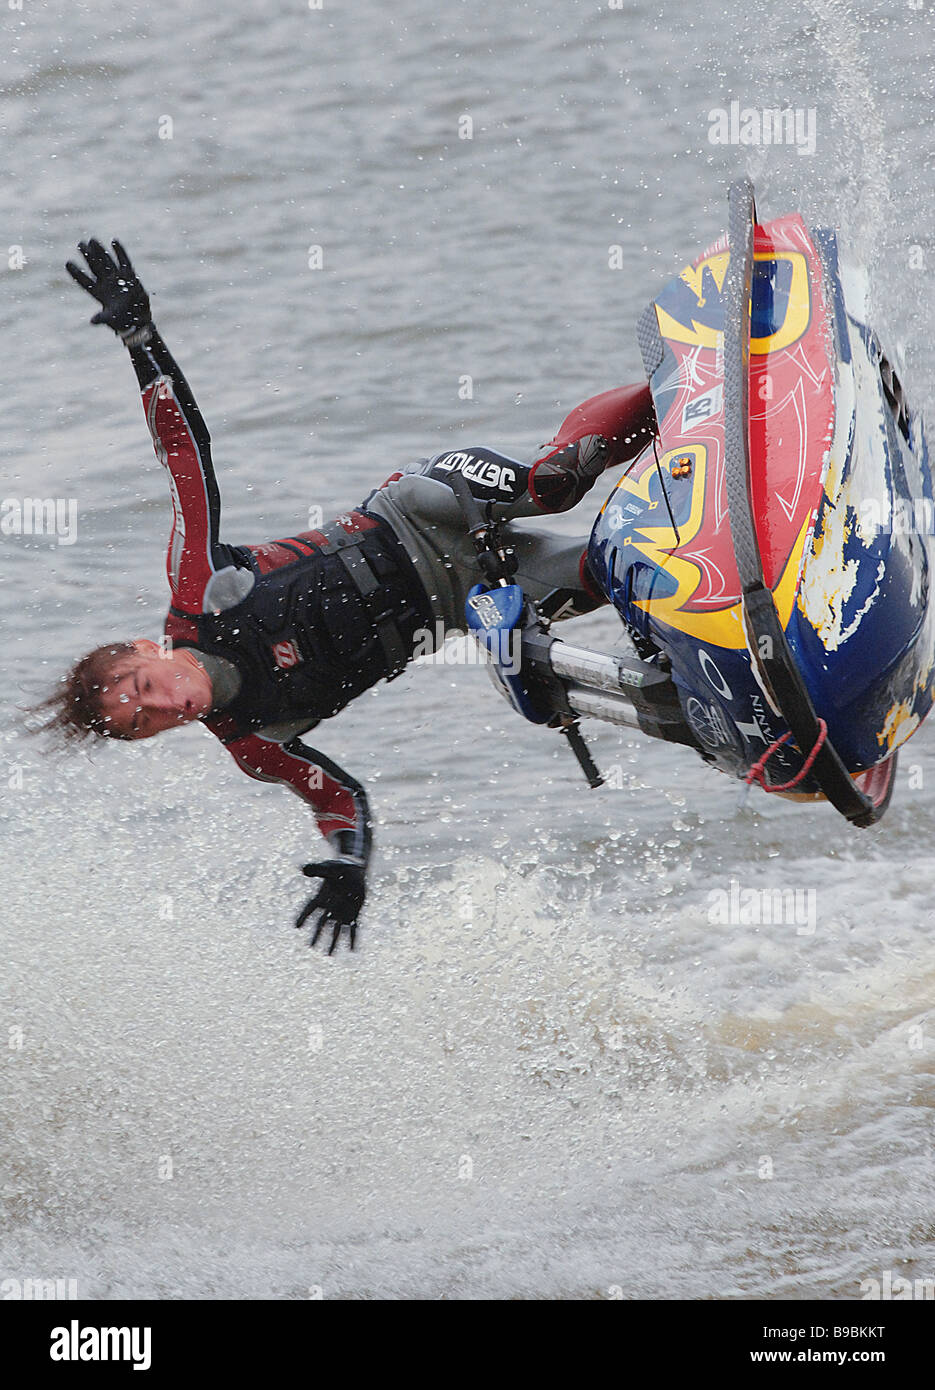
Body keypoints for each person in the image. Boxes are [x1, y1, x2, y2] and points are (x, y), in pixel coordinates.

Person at [36, 239, 656, 952]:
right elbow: (339, 799)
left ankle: (676, 394)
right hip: (474, 593)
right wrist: (348, 861)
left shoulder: (197, 592)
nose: (163, 706)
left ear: (148, 649)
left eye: (143, 684)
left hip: (424, 509)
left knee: (552, 483)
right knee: (620, 571)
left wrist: (142, 343)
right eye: (145, 722)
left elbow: (185, 460)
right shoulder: (254, 743)